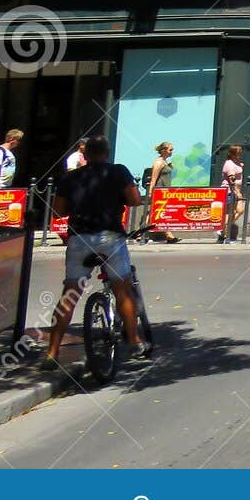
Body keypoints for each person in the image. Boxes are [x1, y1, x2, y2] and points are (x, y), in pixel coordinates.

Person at [45, 136, 149, 368]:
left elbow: (58, 212)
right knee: (122, 289)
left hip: (79, 238)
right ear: (107, 153)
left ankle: (52, 353)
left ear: (85, 155)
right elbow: (135, 200)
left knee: (69, 295)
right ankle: (134, 341)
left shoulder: (70, 177)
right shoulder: (118, 171)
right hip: (110, 236)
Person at [141, 142, 180, 244]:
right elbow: (154, 178)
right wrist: (150, 192)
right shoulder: (158, 162)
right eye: (170, 150)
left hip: (165, 191)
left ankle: (141, 233)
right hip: (159, 190)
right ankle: (168, 235)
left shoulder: (165, 162)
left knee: (156, 212)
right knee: (158, 211)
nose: (172, 152)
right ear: (164, 150)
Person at [219, 145, 245, 244]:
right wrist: (237, 192)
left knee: (240, 210)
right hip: (230, 191)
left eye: (240, 152)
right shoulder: (229, 164)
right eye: (238, 152)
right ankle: (224, 235)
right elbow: (232, 180)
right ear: (232, 153)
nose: (240, 154)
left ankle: (222, 231)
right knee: (229, 214)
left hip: (237, 190)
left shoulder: (237, 163)